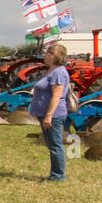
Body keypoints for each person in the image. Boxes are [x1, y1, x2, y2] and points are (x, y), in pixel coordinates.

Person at [29, 42, 71, 182]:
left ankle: (58, 176)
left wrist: (49, 116)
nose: (45, 56)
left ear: (56, 56)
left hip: (54, 115)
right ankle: (56, 174)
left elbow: (57, 95)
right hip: (46, 114)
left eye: (48, 53)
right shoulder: (52, 71)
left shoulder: (59, 73)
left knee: (55, 145)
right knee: (52, 144)